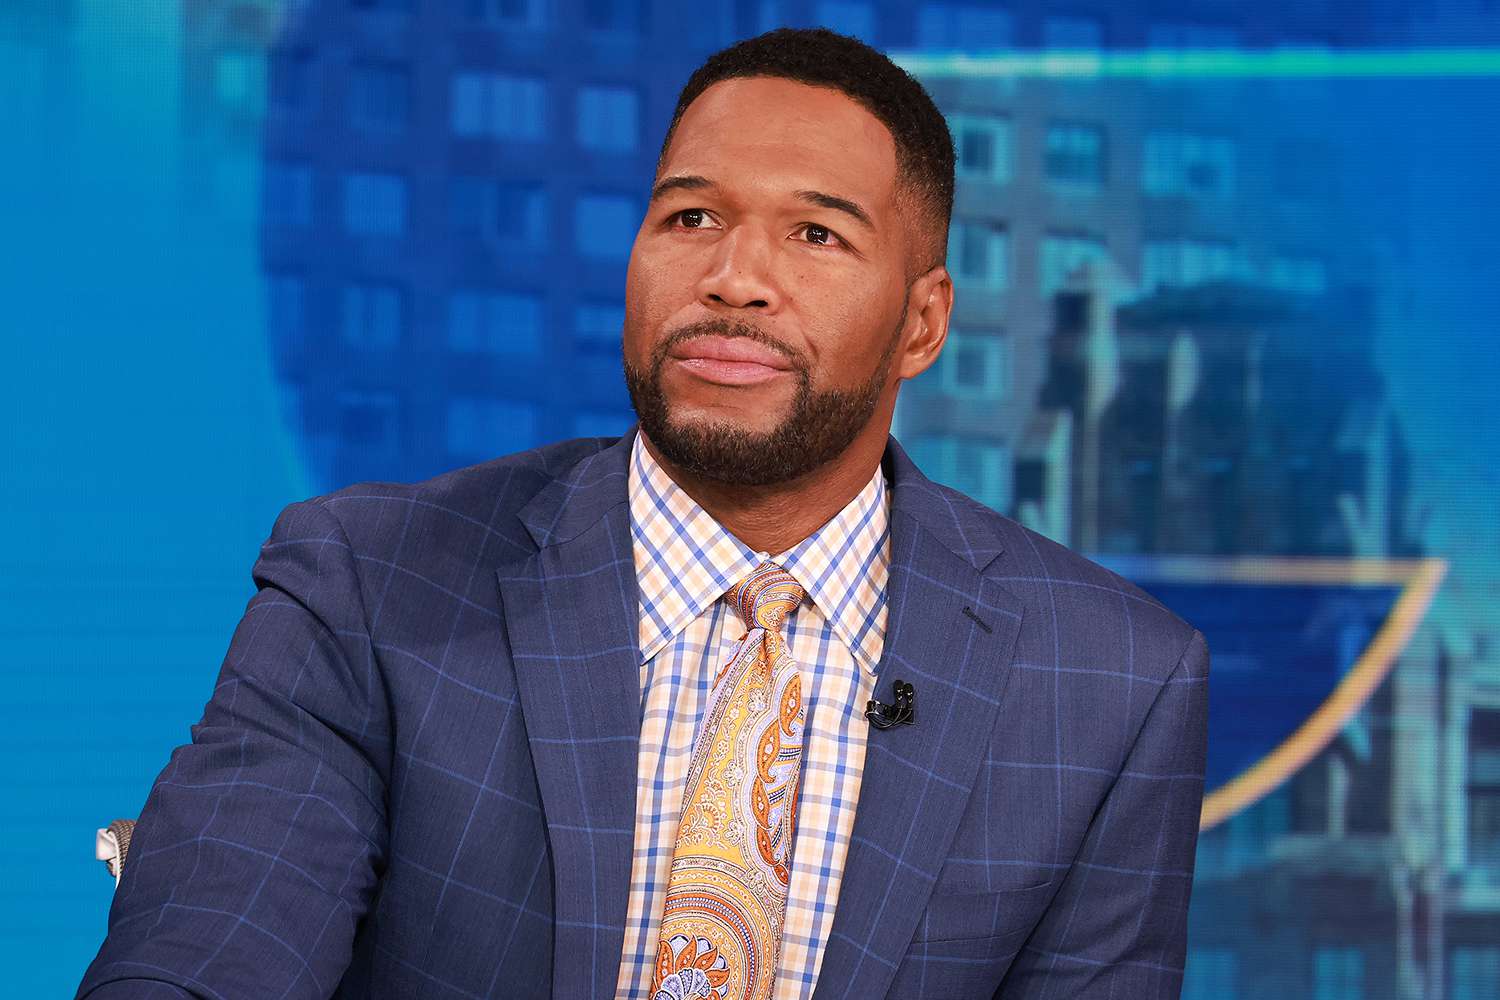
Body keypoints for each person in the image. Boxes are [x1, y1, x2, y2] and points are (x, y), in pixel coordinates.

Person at [77, 27, 1208, 1000]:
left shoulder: (1111, 683)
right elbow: (209, 944)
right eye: (691, 217)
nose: (734, 276)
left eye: (816, 235)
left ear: (923, 323)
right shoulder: (369, 585)